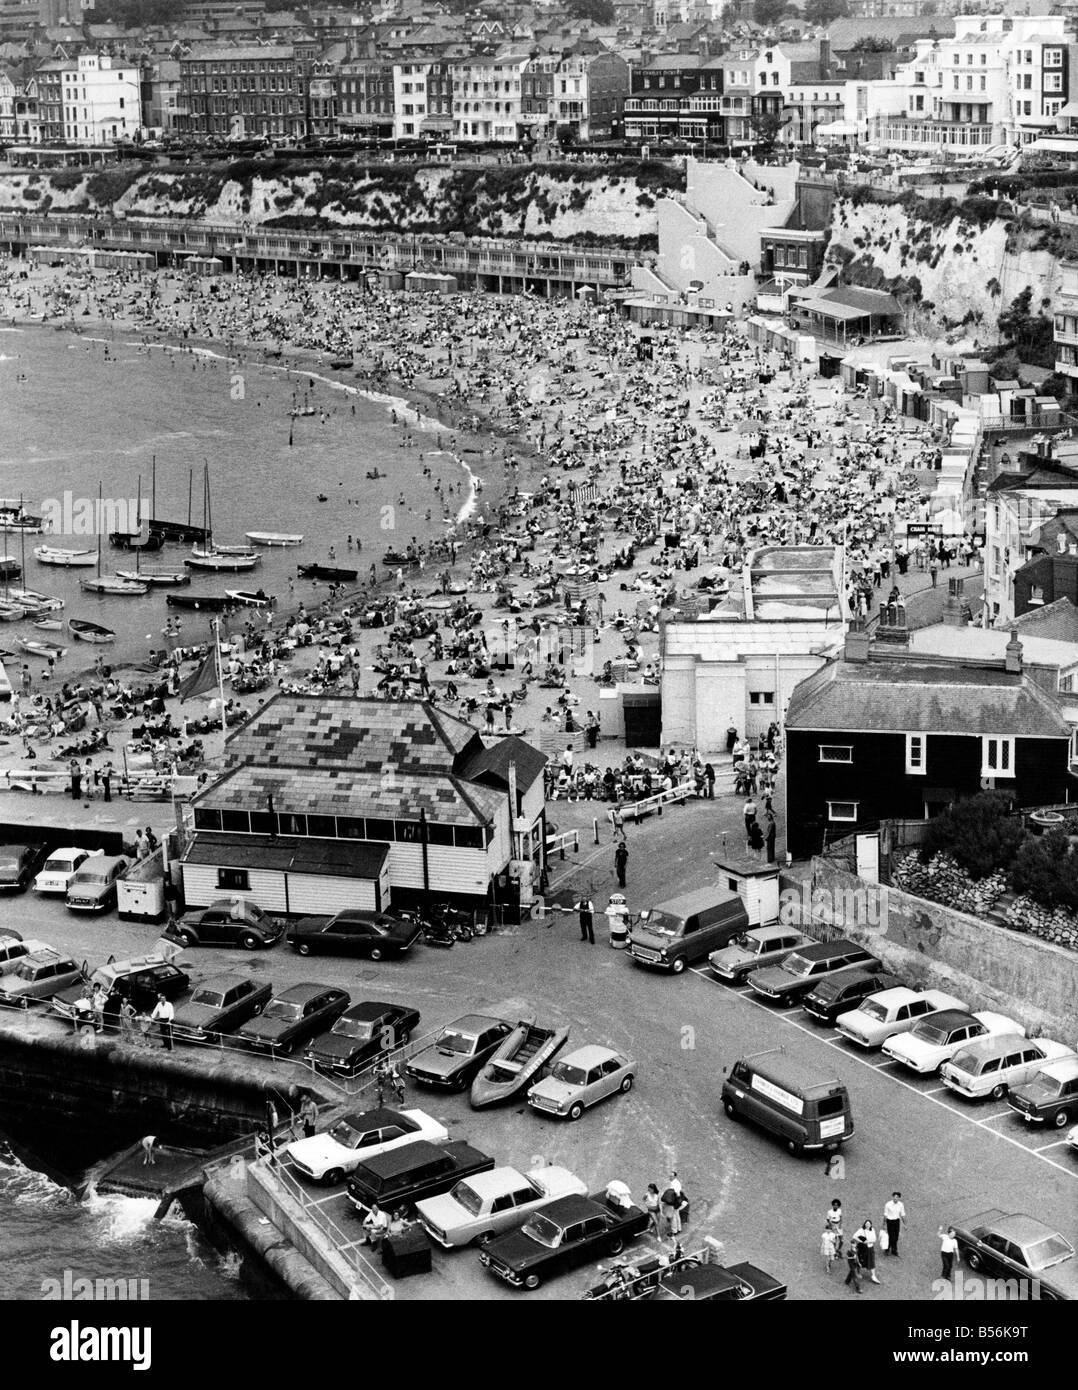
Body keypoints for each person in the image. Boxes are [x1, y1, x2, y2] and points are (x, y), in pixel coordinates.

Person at [883, 1192, 907, 1257]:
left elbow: (903, 1215)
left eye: (897, 1197)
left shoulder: (901, 1205)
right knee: (891, 1237)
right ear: (892, 1197)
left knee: (896, 1237)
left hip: (896, 1221)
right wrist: (884, 1224)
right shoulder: (888, 1204)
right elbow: (885, 1215)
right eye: (895, 1197)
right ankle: (888, 1249)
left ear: (899, 1198)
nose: (896, 1198)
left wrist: (905, 1224)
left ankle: (893, 1250)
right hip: (890, 1221)